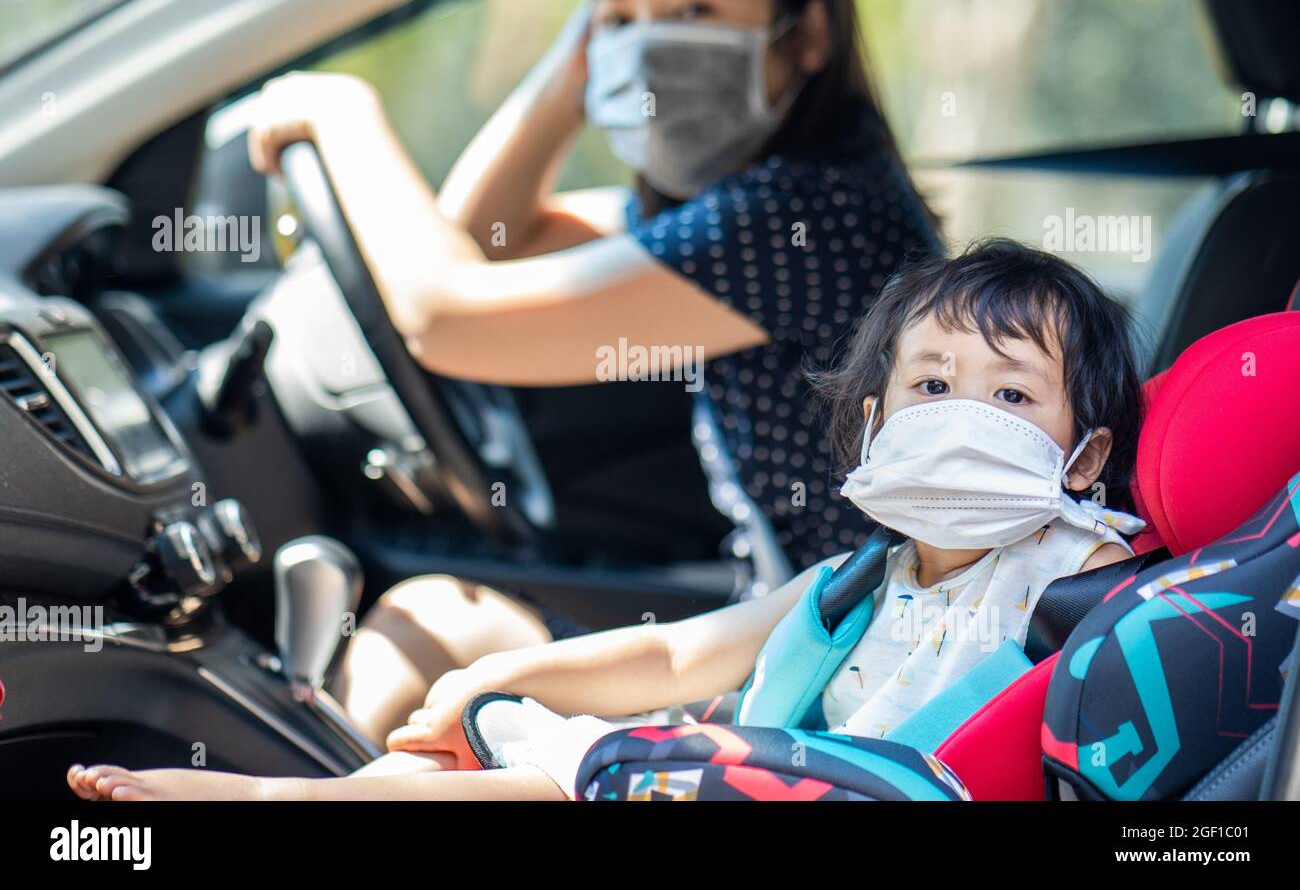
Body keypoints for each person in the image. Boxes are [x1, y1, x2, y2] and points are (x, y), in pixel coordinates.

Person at [66, 240, 1147, 800]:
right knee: (449, 764)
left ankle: (270, 802)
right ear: (872, 426)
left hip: (831, 785)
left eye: (1009, 397)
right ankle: (331, 793)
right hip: (762, 774)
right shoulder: (867, 576)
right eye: (929, 387)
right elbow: (679, 648)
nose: (962, 418)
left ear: (1086, 453)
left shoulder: (1070, 572)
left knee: (561, 776)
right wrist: (494, 680)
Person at [239, 0, 943, 743]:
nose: (648, 46)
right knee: (424, 632)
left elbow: (446, 316)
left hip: (843, 681)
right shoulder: (740, 202)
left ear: (807, 32)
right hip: (789, 627)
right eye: (618, 20)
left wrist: (346, 112)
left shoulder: (802, 217)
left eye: (692, 8)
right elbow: (488, 234)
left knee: (415, 645)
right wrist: (586, 64)